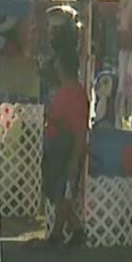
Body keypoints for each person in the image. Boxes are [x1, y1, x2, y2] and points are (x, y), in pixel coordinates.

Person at [41, 53, 90, 247]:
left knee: (61, 190)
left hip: (65, 147)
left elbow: (79, 131)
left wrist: (74, 159)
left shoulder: (75, 94)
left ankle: (64, 231)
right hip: (56, 145)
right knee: (57, 192)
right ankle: (67, 230)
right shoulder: (63, 92)